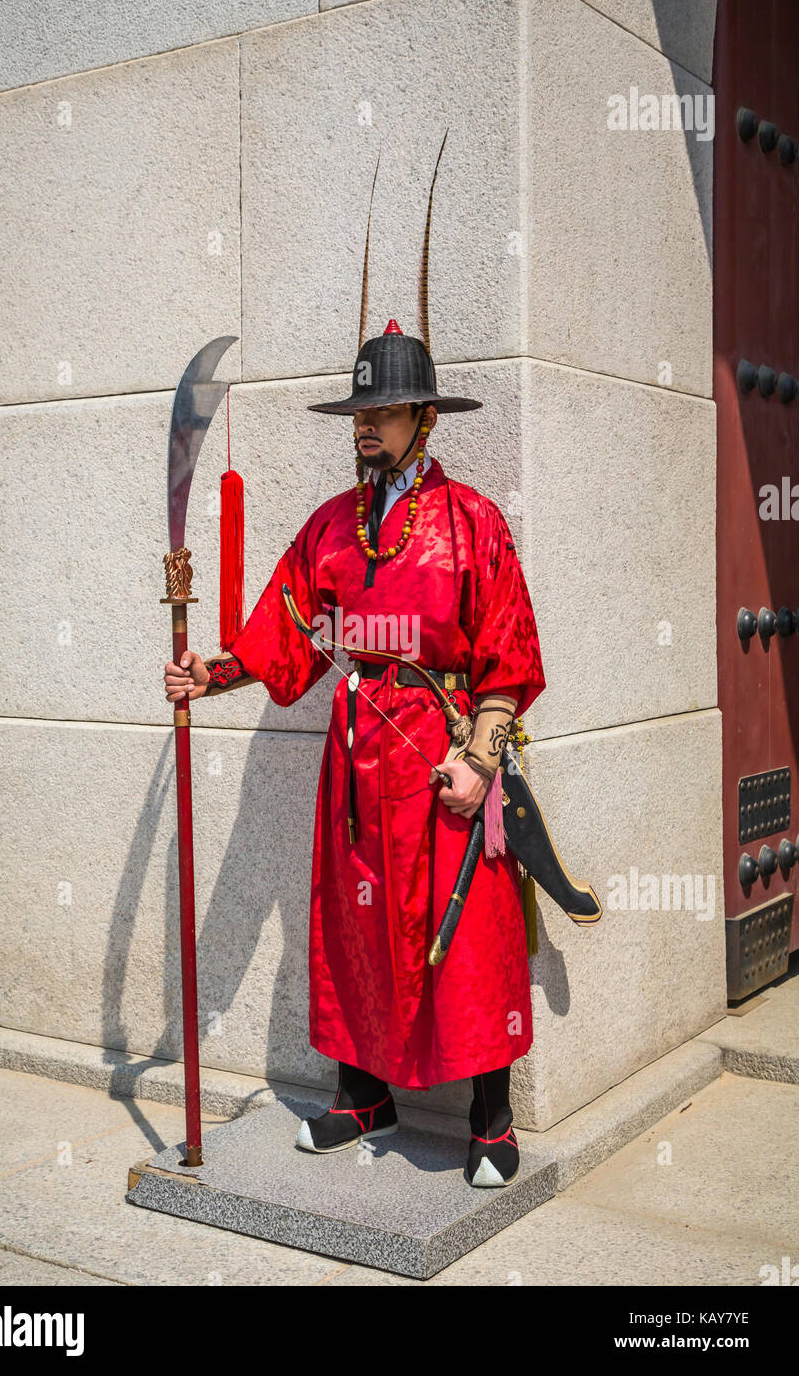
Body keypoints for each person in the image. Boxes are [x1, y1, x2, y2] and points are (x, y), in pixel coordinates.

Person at [164, 312, 546, 1187]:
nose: (367, 425)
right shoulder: (333, 527)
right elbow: (282, 636)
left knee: (468, 932)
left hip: (443, 748)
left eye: (388, 409)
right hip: (355, 754)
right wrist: (207, 675)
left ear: (427, 418)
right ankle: (364, 1093)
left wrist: (479, 761)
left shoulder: (474, 522)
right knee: (354, 923)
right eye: (359, 413)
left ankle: (491, 1116)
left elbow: (507, 658)